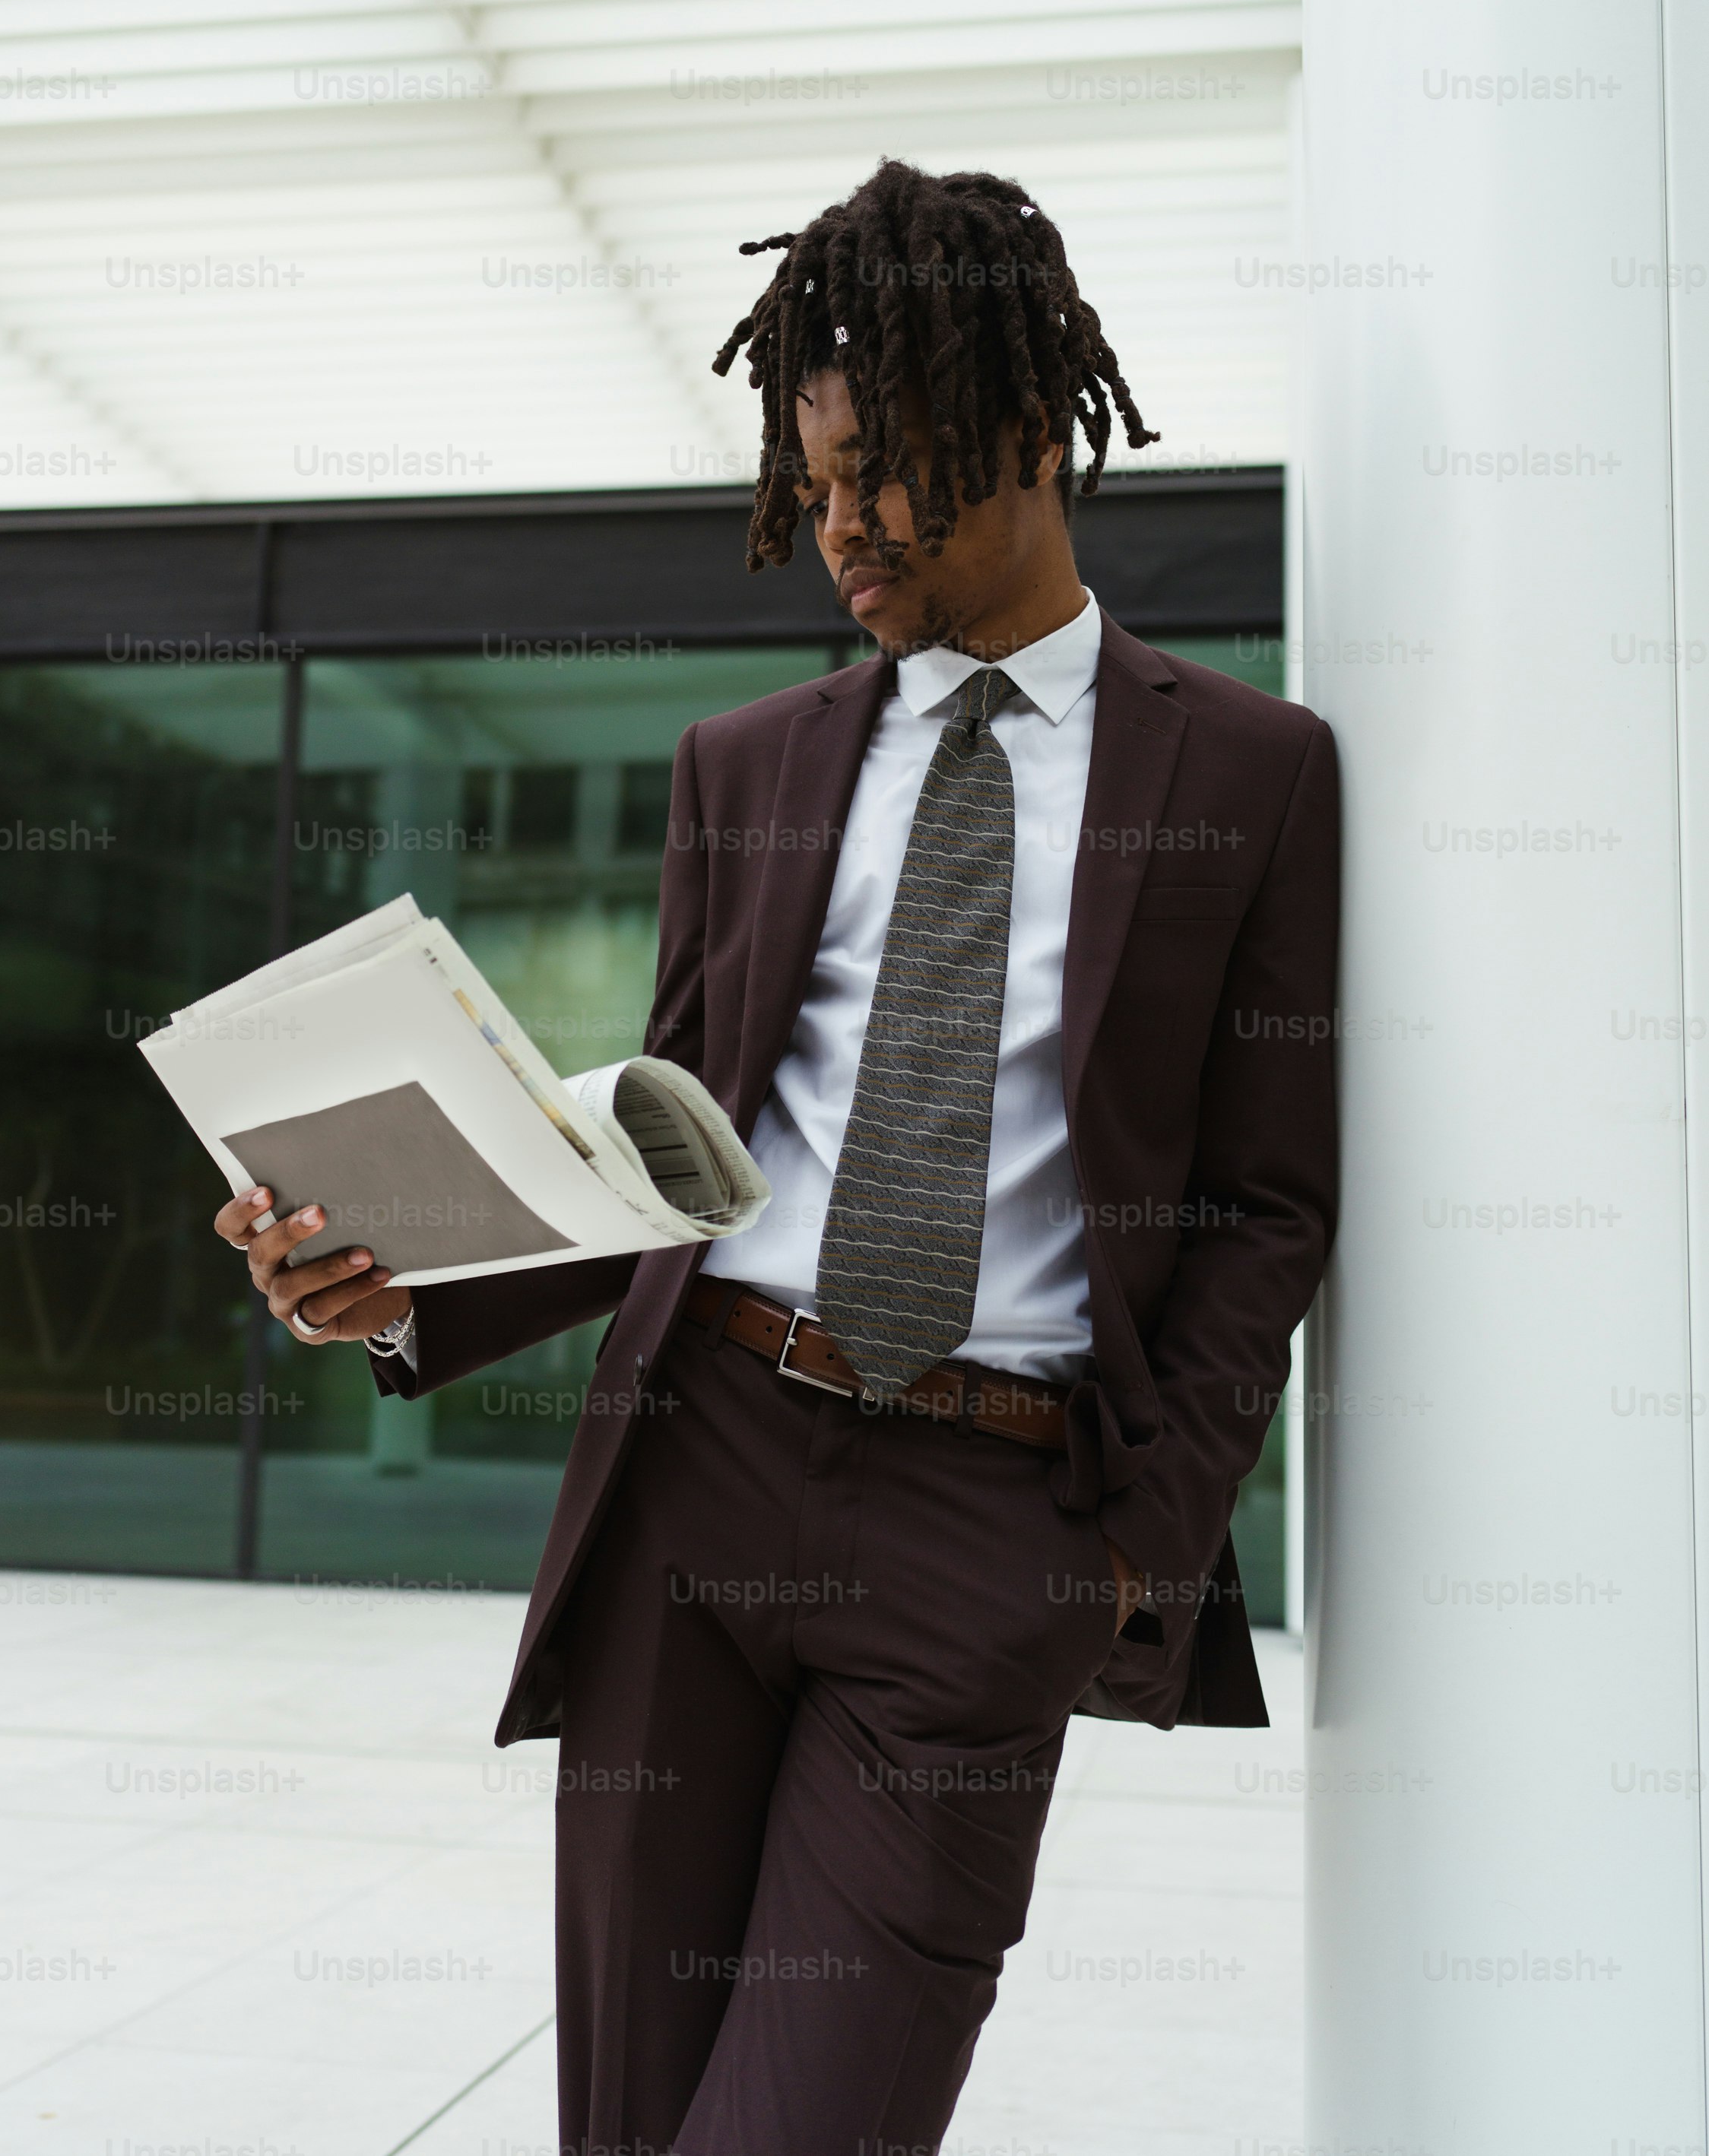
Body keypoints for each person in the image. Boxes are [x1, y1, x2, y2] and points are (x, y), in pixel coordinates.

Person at [214, 158, 1339, 2156]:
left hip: (990, 1532)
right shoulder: (744, 767)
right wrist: (402, 1284)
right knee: (631, 2126)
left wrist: (1121, 1561)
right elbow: (663, 1157)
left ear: (1013, 433)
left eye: (872, 473)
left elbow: (1263, 1209)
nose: (829, 527)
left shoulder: (1243, 773)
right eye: (804, 477)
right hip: (695, 1485)